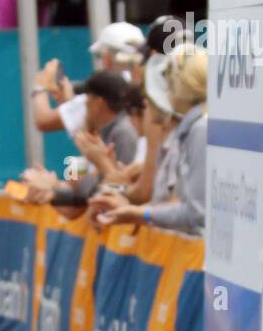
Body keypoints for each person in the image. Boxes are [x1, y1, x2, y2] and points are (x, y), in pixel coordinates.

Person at [91, 44, 207, 236]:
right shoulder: (188, 132)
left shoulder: (124, 134)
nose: (148, 101)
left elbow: (144, 192)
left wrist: (103, 165)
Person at [24, 70, 139, 213]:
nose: (84, 104)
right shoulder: (106, 129)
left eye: (88, 99)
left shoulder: (123, 133)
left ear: (99, 103)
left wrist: (54, 187)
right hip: (101, 211)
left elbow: (115, 191)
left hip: (116, 220)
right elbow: (82, 195)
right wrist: (53, 189)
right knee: (72, 168)